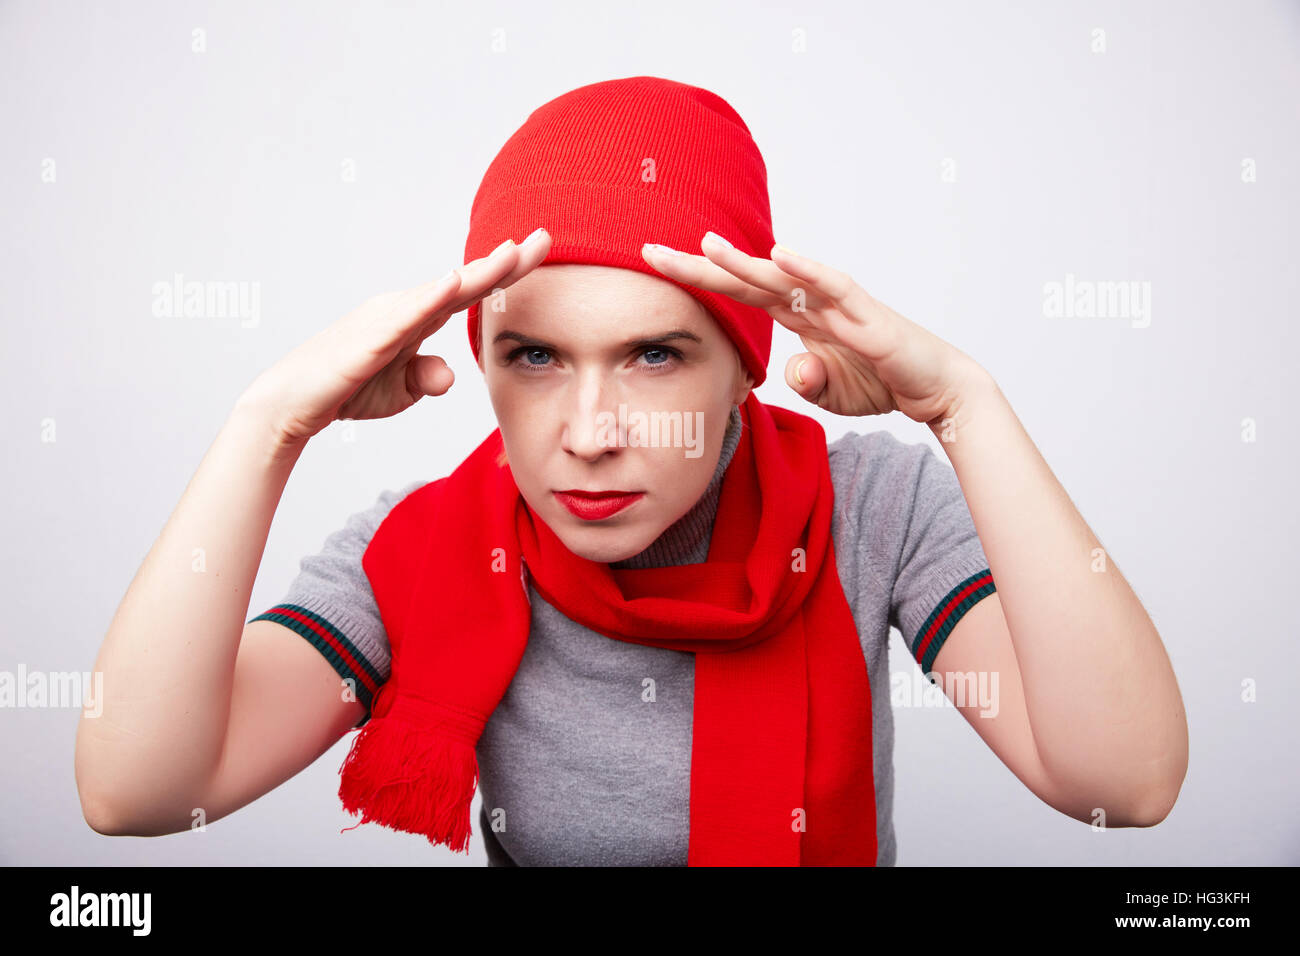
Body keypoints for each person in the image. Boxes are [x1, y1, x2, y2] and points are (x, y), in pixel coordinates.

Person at [74, 76, 1187, 866]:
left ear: (743, 366)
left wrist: (964, 405)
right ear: (484, 359)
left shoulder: (876, 512)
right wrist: (265, 426)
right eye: (535, 356)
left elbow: (1122, 784)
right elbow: (134, 793)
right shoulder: (414, 549)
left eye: (654, 353)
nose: (590, 428)